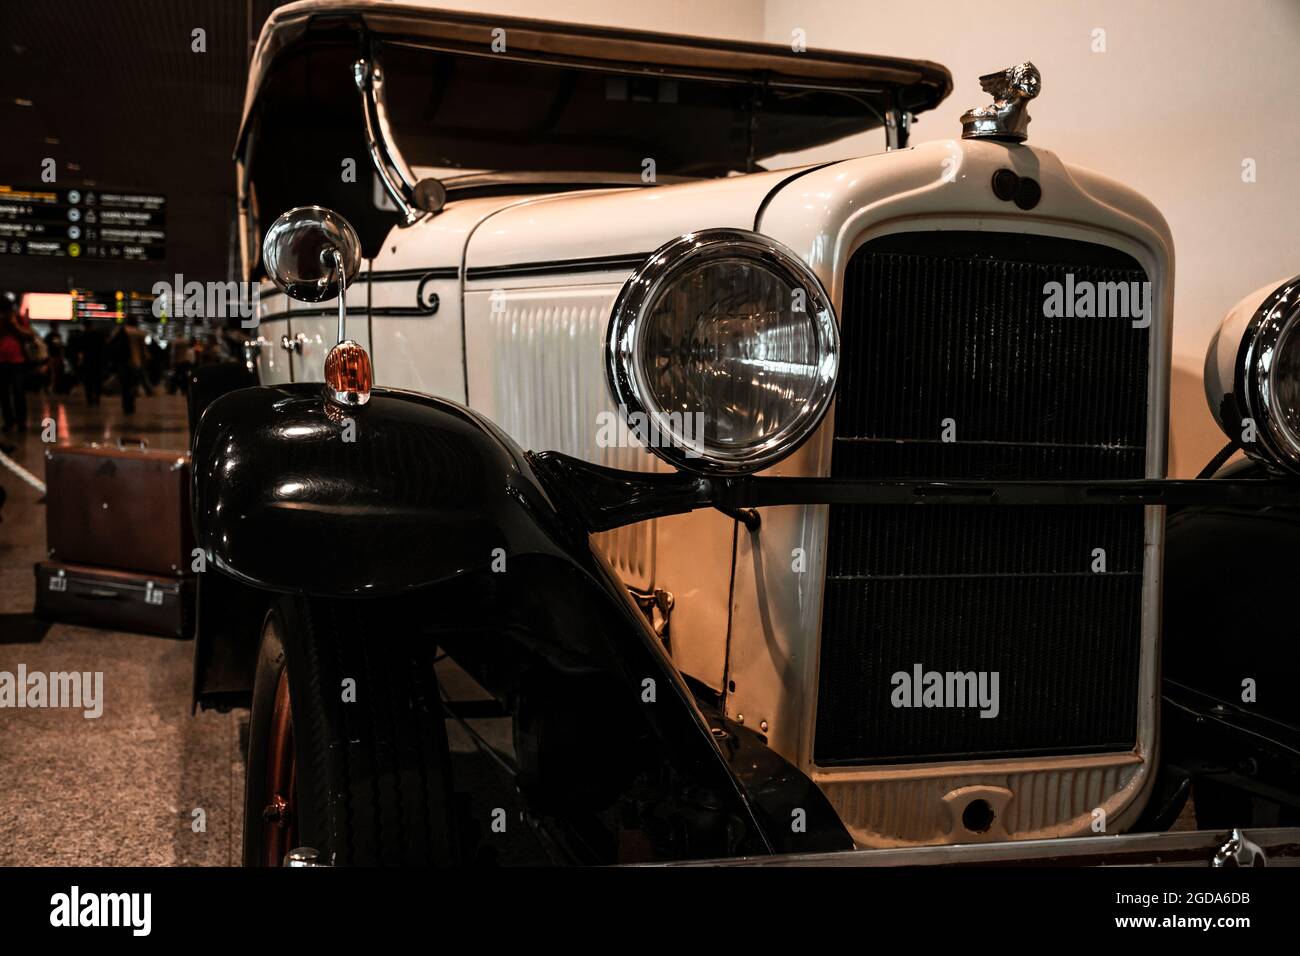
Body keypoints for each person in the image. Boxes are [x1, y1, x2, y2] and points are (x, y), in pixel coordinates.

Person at [0, 292, 34, 434]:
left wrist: (14, 325)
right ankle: (9, 422)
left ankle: (21, 422)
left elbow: (30, 335)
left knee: (18, 391)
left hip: (18, 361)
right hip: (1, 361)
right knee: (3, 394)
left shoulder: (18, 320)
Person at [111, 316, 148, 415]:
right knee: (133, 384)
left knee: (124, 385)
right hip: (136, 362)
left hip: (123, 362)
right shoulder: (139, 333)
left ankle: (125, 405)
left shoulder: (119, 331)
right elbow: (143, 350)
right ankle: (131, 404)